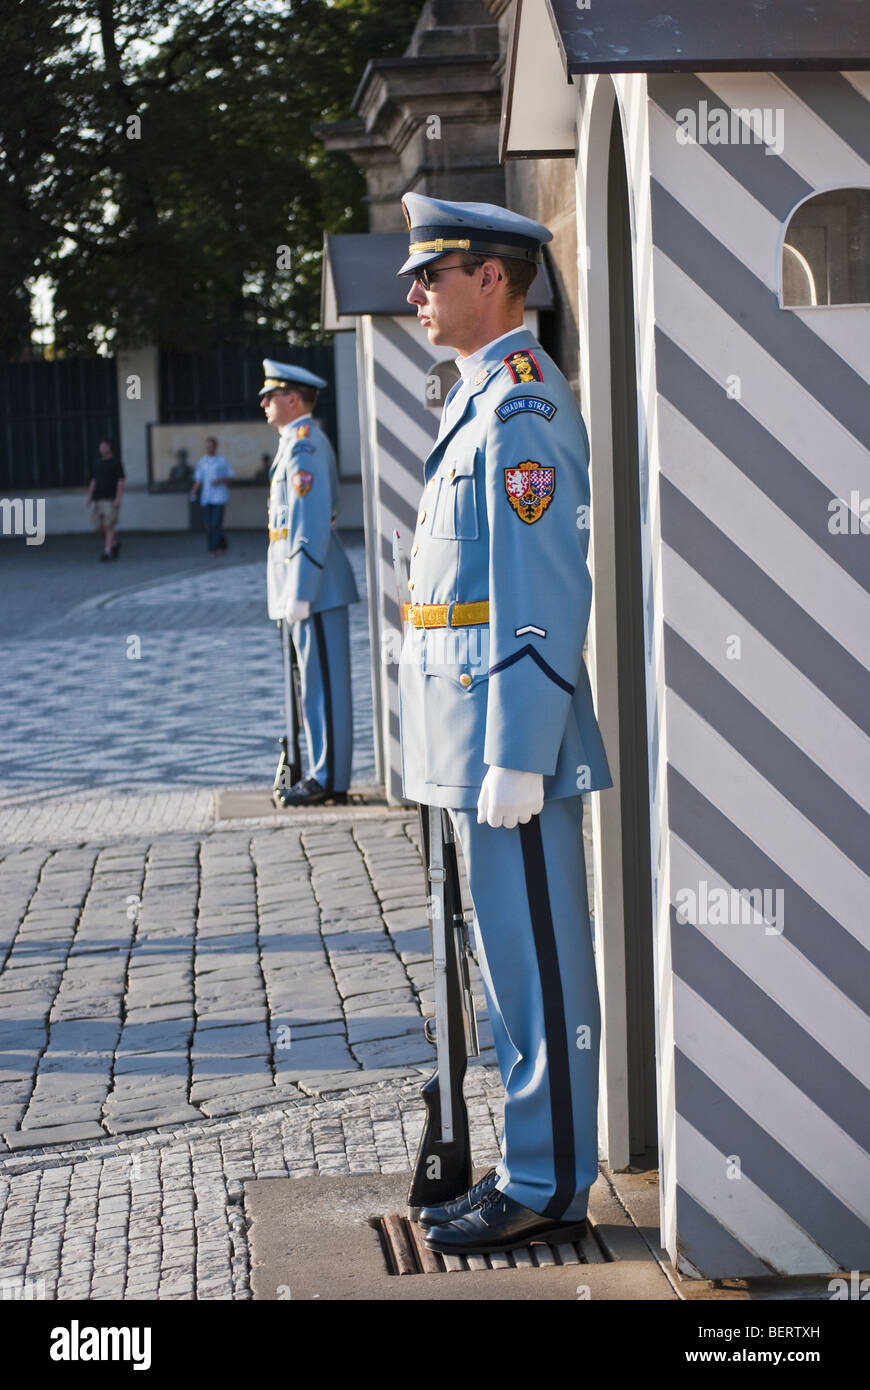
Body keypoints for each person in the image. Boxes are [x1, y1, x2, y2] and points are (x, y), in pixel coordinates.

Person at [394, 193, 613, 1254]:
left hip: (504, 745)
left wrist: (520, 750)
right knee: (512, 964)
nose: (415, 293)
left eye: (431, 272)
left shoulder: (521, 404)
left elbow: (540, 586)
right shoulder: (474, 398)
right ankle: (536, 1156)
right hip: (467, 743)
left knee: (541, 965)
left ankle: (547, 1178)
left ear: (493, 278)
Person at [260, 358, 359, 806]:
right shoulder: (292, 445)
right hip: (307, 589)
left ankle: (329, 777)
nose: (263, 401)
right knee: (313, 687)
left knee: (323, 688)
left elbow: (310, 523)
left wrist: (299, 590)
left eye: (271, 394)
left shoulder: (304, 447)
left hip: (316, 589)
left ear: (293, 399)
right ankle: (322, 771)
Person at [190, 436, 234, 555]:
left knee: (216, 523)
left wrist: (219, 480)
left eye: (211, 446)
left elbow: (230, 477)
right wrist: (193, 492)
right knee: (209, 525)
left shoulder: (222, 461)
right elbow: (198, 480)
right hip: (207, 497)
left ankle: (214, 548)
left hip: (219, 497)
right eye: (207, 446)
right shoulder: (202, 462)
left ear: (215, 446)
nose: (209, 448)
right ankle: (218, 545)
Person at [86, 438, 125, 562]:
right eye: (100, 446)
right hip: (98, 498)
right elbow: (93, 480)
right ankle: (113, 543)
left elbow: (121, 480)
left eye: (104, 446)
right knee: (98, 526)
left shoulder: (115, 462)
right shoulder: (97, 463)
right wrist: (90, 496)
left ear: (109, 447)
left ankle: (107, 551)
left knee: (109, 525)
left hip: (110, 498)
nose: (101, 448)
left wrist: (118, 498)